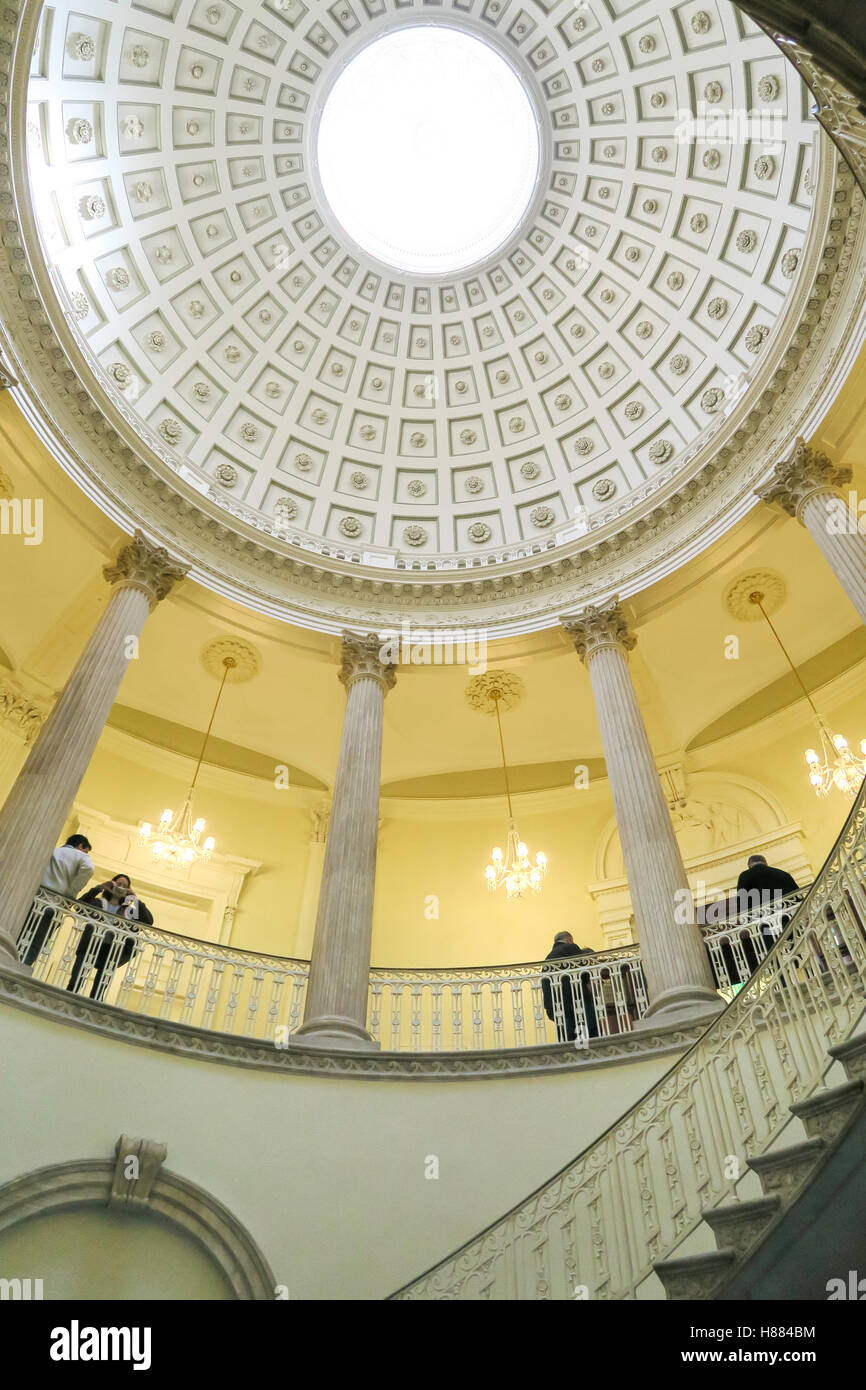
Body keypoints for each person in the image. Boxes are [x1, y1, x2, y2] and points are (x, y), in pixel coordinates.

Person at [66, 874, 153, 1002]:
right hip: (90, 944)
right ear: (112, 884)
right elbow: (79, 906)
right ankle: (69, 998)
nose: (121, 887)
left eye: (125, 886)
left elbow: (148, 921)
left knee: (100, 988)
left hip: (111, 950)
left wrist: (134, 899)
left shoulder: (129, 910)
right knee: (76, 980)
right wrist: (99, 888)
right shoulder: (97, 902)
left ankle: (94, 1003)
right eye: (118, 884)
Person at [17, 833, 93, 967]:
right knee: (39, 940)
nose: (86, 853)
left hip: (35, 900)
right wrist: (71, 893)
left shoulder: (53, 850)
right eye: (86, 850)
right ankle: (23, 965)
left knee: (20, 933)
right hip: (55, 905)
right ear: (81, 846)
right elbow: (89, 868)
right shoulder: (81, 856)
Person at [737, 855, 800, 964]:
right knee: (796, 949)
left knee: (774, 955)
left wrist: (745, 921)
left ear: (749, 865)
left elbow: (742, 902)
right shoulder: (782, 874)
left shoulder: (745, 876)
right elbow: (798, 898)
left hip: (766, 924)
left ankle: (783, 978)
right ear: (765, 862)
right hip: (787, 920)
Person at [541, 931, 599, 1043]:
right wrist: (588, 984)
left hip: (555, 1004)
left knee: (566, 1037)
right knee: (589, 1033)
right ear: (569, 939)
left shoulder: (547, 958)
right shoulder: (570, 947)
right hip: (575, 998)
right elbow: (583, 968)